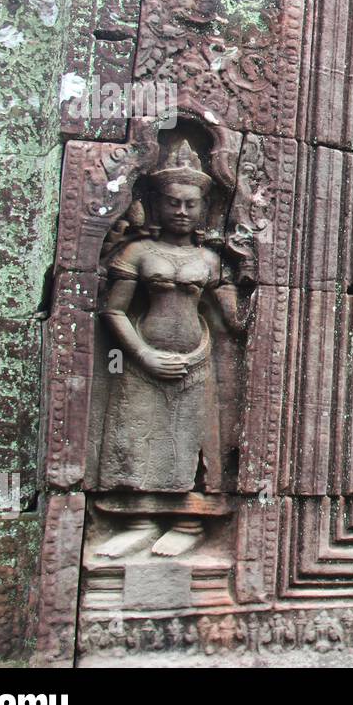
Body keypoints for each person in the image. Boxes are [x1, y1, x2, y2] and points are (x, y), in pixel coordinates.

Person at [95, 139, 246, 558]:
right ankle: (138, 520)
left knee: (192, 437)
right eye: (173, 203)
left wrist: (250, 280)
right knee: (137, 435)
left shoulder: (210, 261)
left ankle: (187, 521)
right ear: (158, 205)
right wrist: (143, 354)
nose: (181, 211)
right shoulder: (138, 252)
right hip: (144, 356)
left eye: (191, 204)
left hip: (197, 357)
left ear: (203, 209)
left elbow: (233, 319)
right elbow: (114, 312)